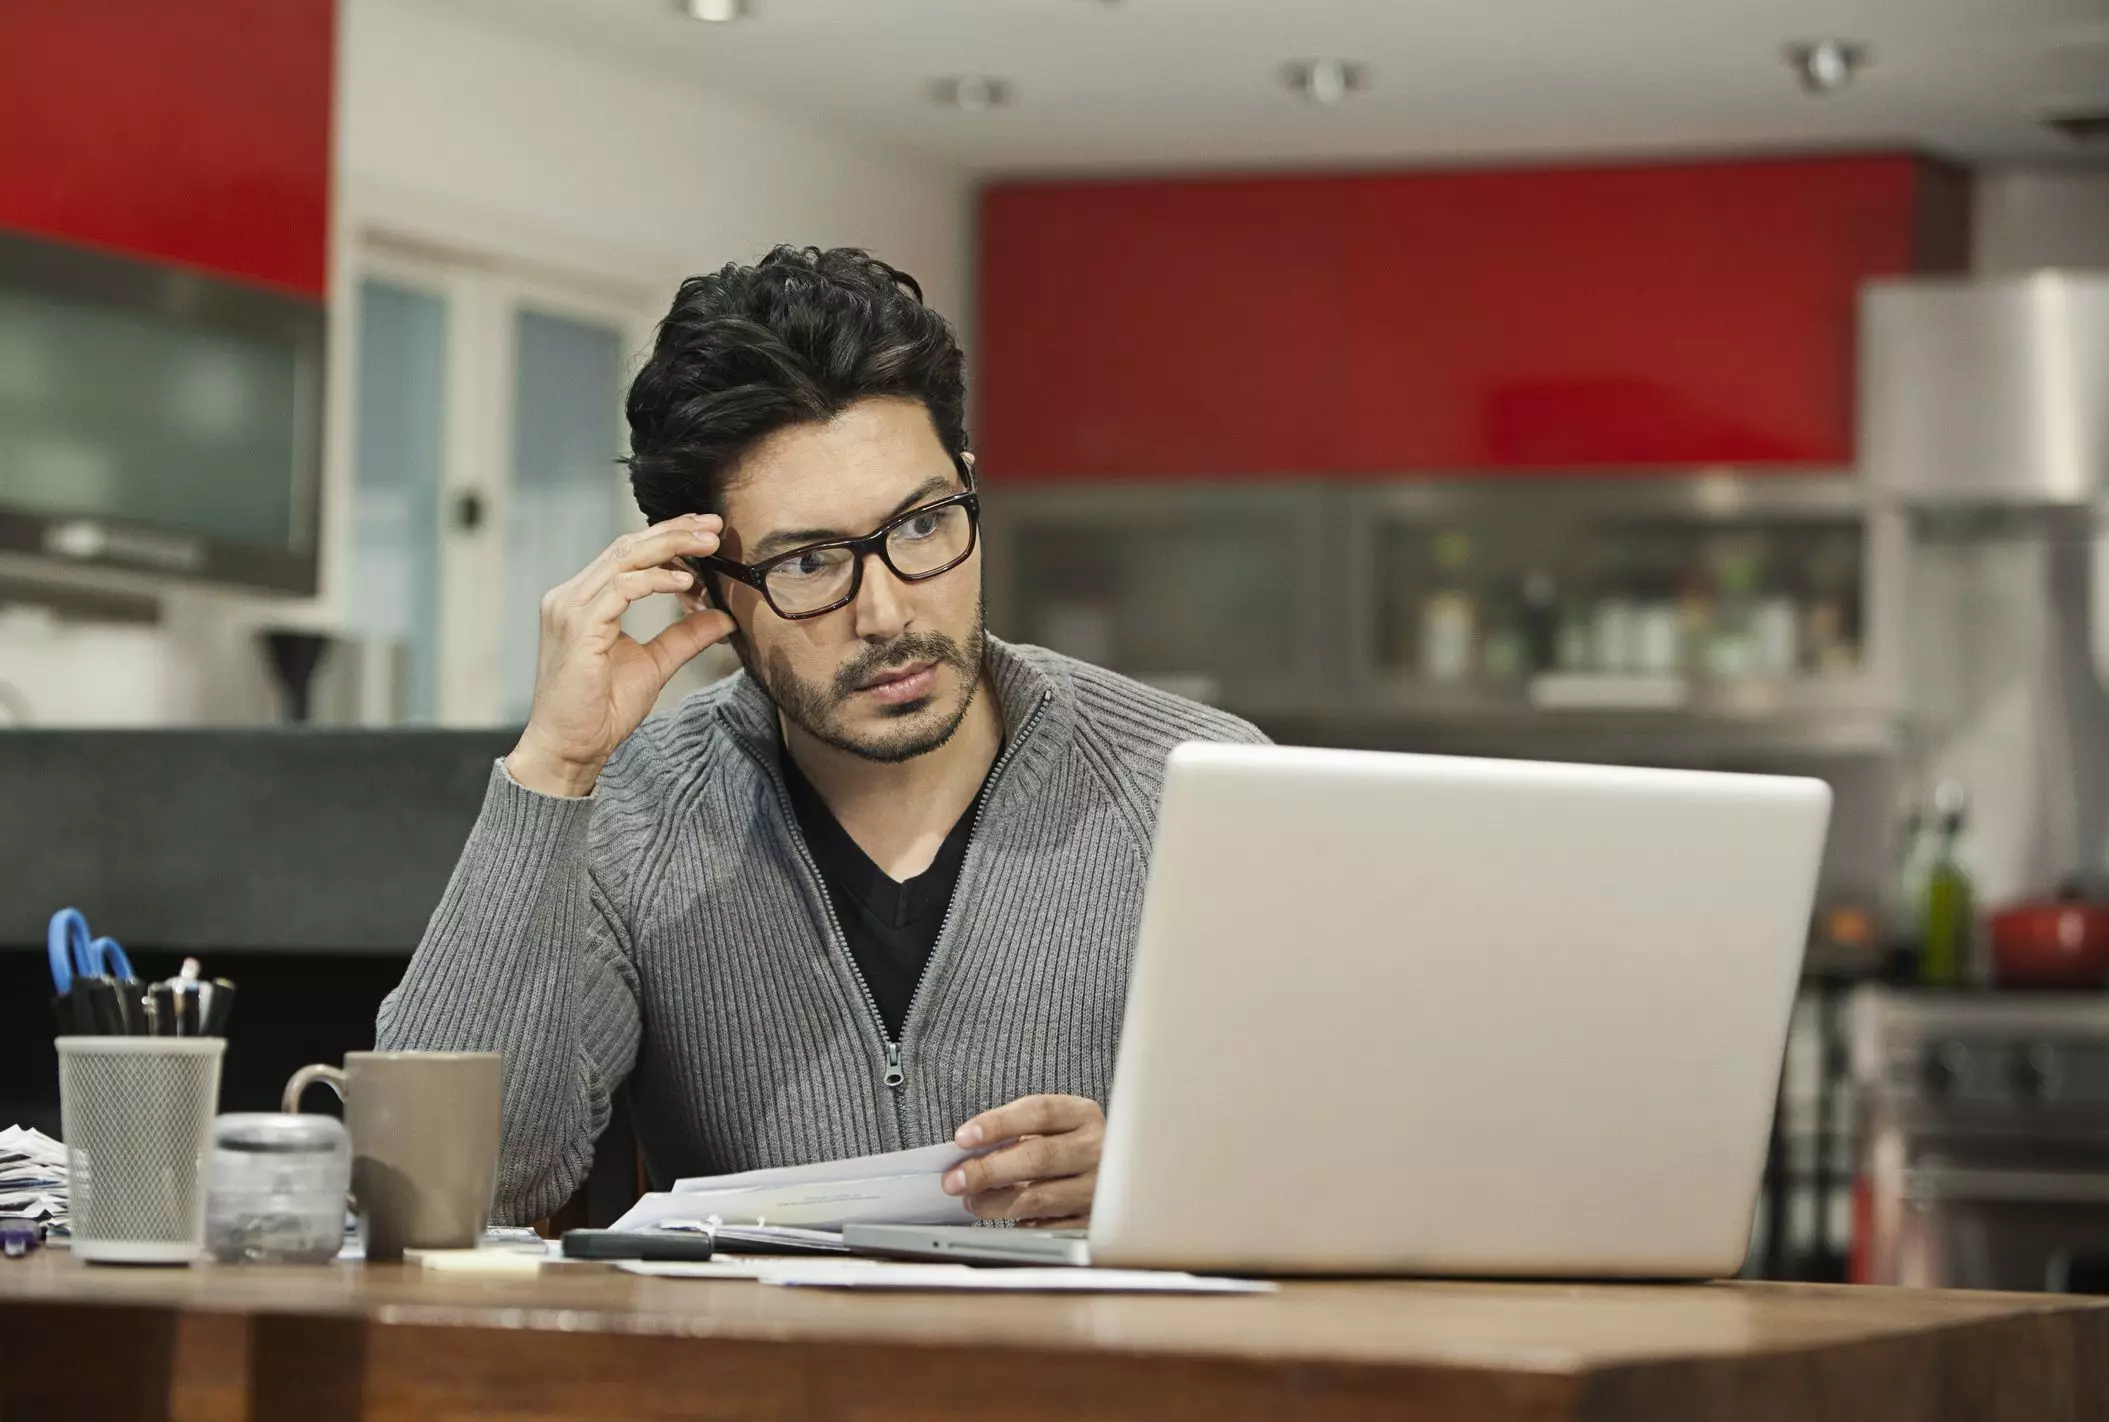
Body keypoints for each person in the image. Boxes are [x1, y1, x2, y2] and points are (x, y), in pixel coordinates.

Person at [377, 246, 1265, 1227]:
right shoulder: (638, 815)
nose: (886, 612)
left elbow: (1372, 1149)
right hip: (748, 1377)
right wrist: (555, 767)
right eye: (808, 562)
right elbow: (439, 1183)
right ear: (706, 587)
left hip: (1101, 1377)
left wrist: (1173, 1173)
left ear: (968, 488)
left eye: (923, 526)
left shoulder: (1198, 792)